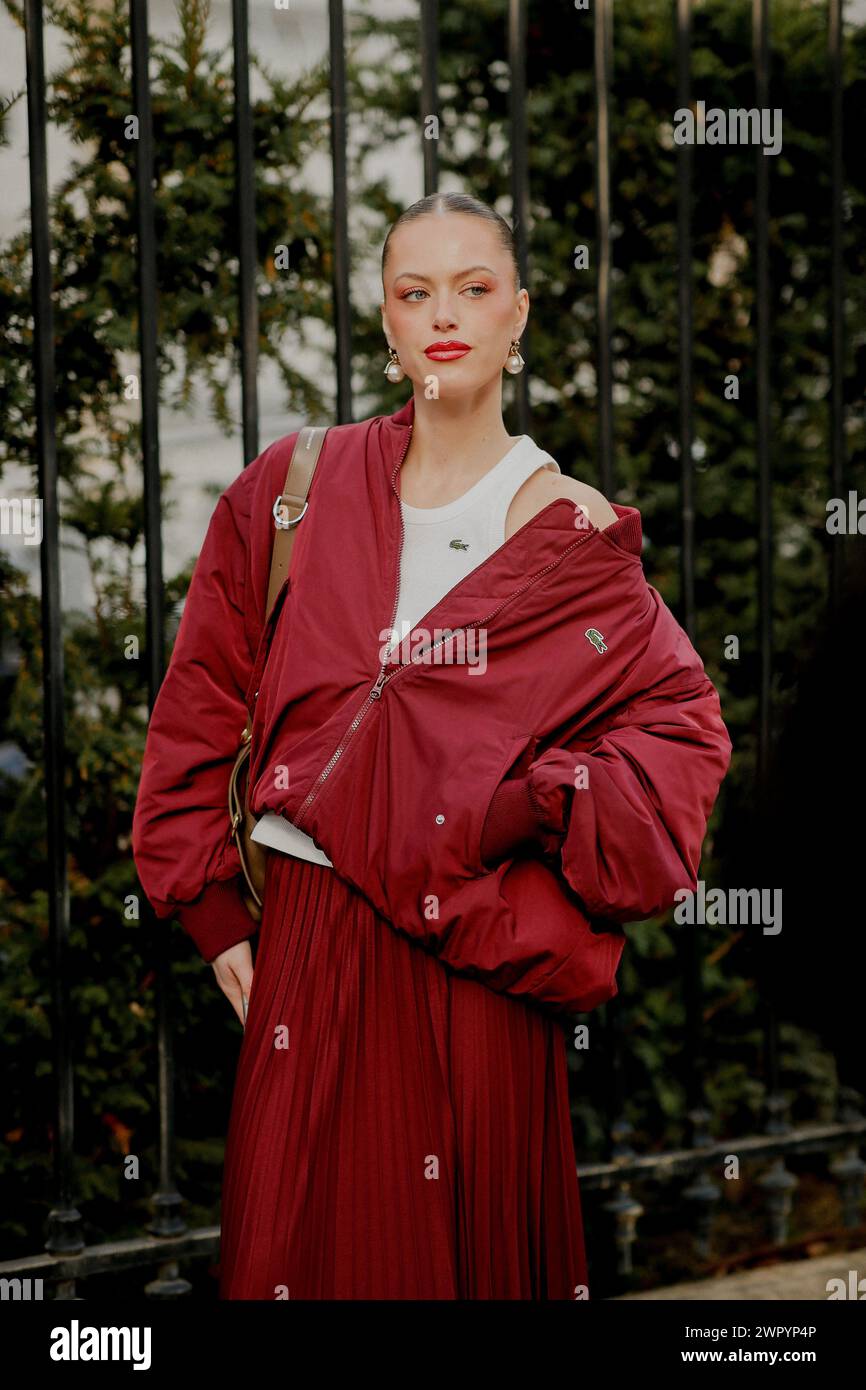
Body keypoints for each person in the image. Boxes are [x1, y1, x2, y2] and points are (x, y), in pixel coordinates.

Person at [132, 191, 732, 1299]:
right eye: (415, 292)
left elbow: (680, 733)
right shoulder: (291, 491)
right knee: (294, 1261)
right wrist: (209, 904)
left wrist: (524, 803)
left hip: (474, 969)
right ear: (386, 320)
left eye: (473, 289)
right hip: (310, 949)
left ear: (518, 317)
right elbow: (200, 700)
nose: (442, 315)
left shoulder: (567, 529)